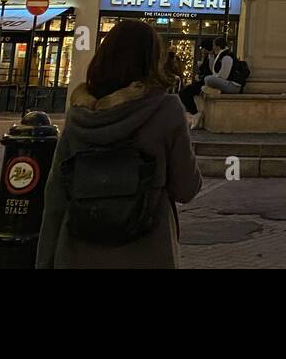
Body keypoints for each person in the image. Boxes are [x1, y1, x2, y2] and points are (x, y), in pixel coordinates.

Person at [36, 19, 202, 269]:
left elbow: (55, 198)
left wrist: (45, 260)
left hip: (78, 252)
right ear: (151, 61)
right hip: (146, 251)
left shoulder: (80, 114)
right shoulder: (166, 110)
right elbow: (186, 188)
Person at [179, 36, 213, 117]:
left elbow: (210, 72)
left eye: (203, 48)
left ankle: (195, 113)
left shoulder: (211, 58)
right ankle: (193, 113)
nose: (202, 50)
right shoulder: (206, 57)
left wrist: (200, 76)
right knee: (184, 92)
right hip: (201, 81)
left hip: (204, 83)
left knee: (185, 92)